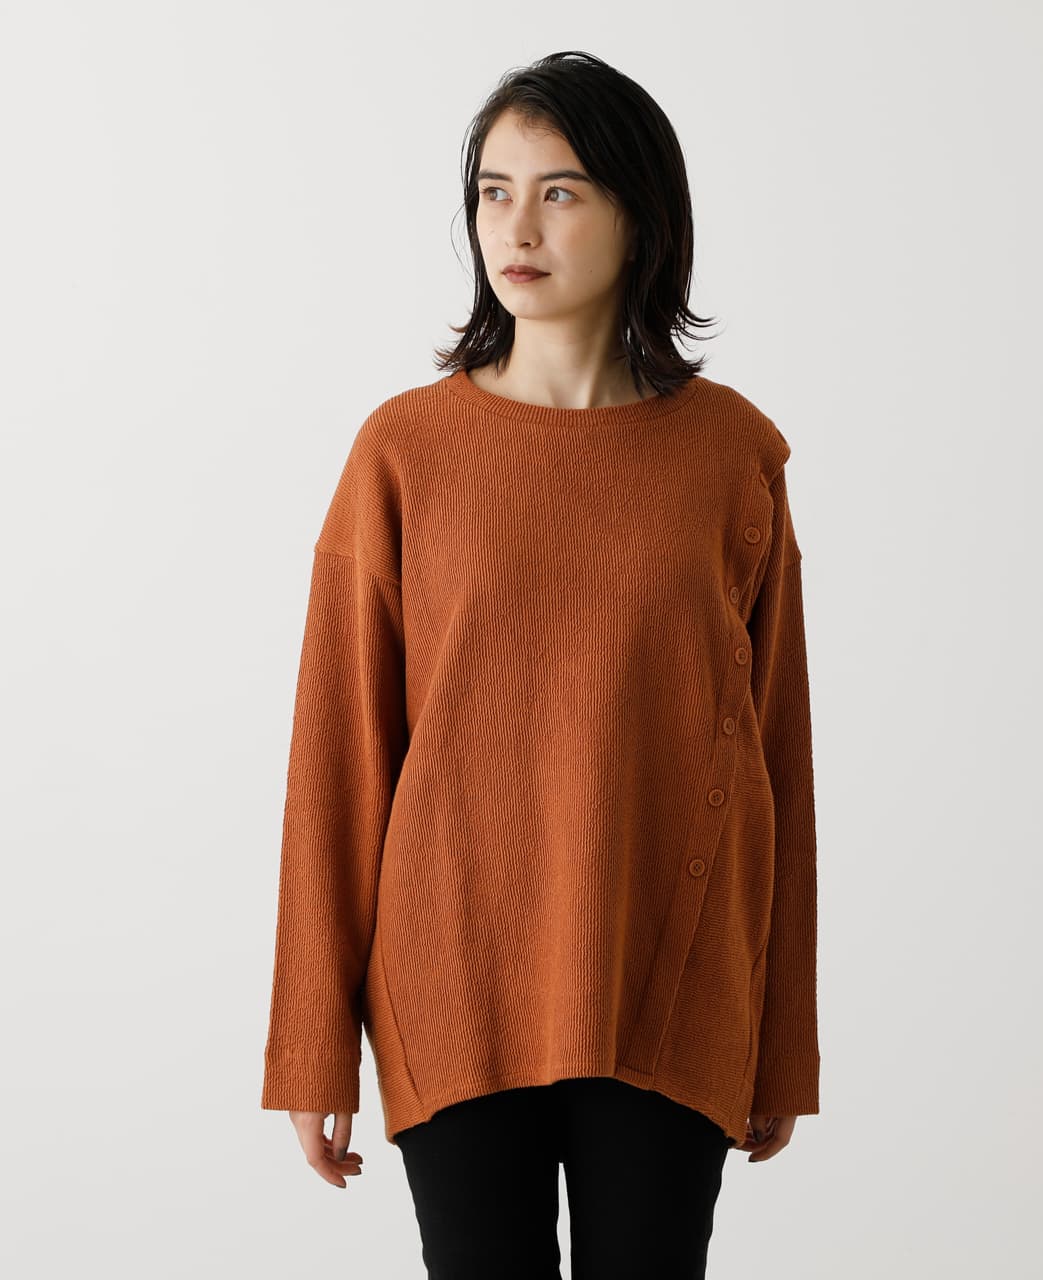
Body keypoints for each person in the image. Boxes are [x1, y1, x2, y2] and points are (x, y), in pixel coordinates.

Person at [261, 49, 820, 1280]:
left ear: (641, 214)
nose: (515, 227)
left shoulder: (733, 455)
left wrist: (783, 1038)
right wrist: (311, 1038)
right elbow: (338, 760)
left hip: (669, 985)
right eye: (492, 191)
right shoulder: (403, 451)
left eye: (559, 191)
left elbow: (775, 759)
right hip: (452, 981)